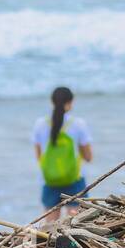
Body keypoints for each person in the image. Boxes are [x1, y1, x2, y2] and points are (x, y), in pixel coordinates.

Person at [33, 86, 92, 220]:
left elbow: (38, 155)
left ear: (52, 102)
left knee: (50, 226)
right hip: (74, 180)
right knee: (76, 222)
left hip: (50, 180)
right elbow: (88, 157)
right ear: (70, 103)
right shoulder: (78, 124)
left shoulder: (40, 124)